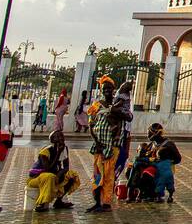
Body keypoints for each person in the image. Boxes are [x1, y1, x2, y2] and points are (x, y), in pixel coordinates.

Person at [86, 78, 129, 213]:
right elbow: (91, 125)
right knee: (98, 174)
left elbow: (128, 117)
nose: (107, 91)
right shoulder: (97, 105)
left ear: (114, 90)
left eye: (109, 88)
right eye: (104, 89)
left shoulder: (119, 106)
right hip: (99, 145)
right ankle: (97, 201)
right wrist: (97, 142)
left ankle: (106, 203)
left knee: (109, 174)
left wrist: (116, 110)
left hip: (113, 145)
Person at [27, 130, 80, 212]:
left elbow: (66, 167)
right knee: (50, 176)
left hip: (53, 176)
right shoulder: (45, 151)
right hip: (36, 178)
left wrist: (60, 173)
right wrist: (58, 153)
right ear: (52, 140)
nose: (61, 138)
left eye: (62, 136)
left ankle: (58, 202)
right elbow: (48, 169)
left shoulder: (64, 149)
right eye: (58, 137)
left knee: (72, 175)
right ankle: (43, 203)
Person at [147, 123, 181, 203]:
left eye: (149, 133)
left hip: (166, 168)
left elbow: (178, 158)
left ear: (156, 134)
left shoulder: (169, 144)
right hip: (155, 166)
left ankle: (160, 195)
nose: (148, 136)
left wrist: (167, 162)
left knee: (161, 180)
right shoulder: (153, 144)